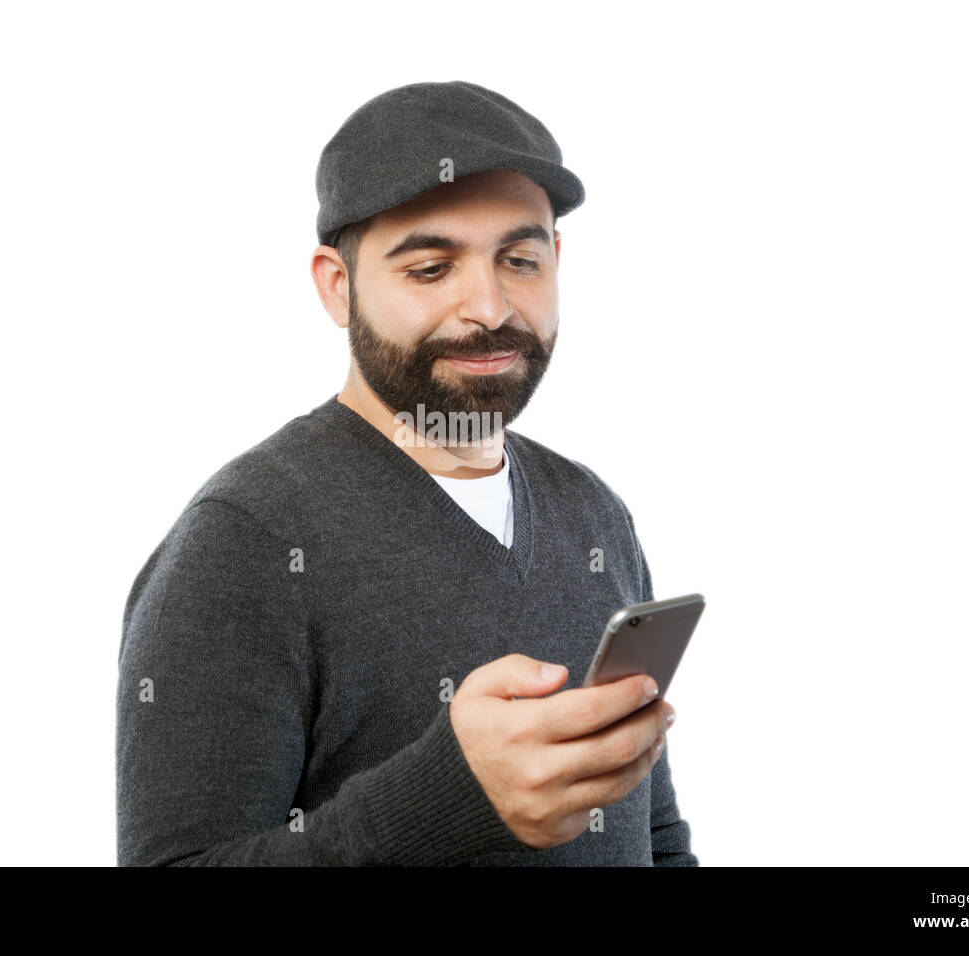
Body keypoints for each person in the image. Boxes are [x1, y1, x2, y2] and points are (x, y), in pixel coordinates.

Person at [116, 80, 698, 866]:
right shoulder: (245, 541)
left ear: (557, 261)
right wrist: (446, 800)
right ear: (337, 287)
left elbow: (655, 839)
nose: (489, 307)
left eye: (519, 260)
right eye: (431, 269)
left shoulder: (594, 513)